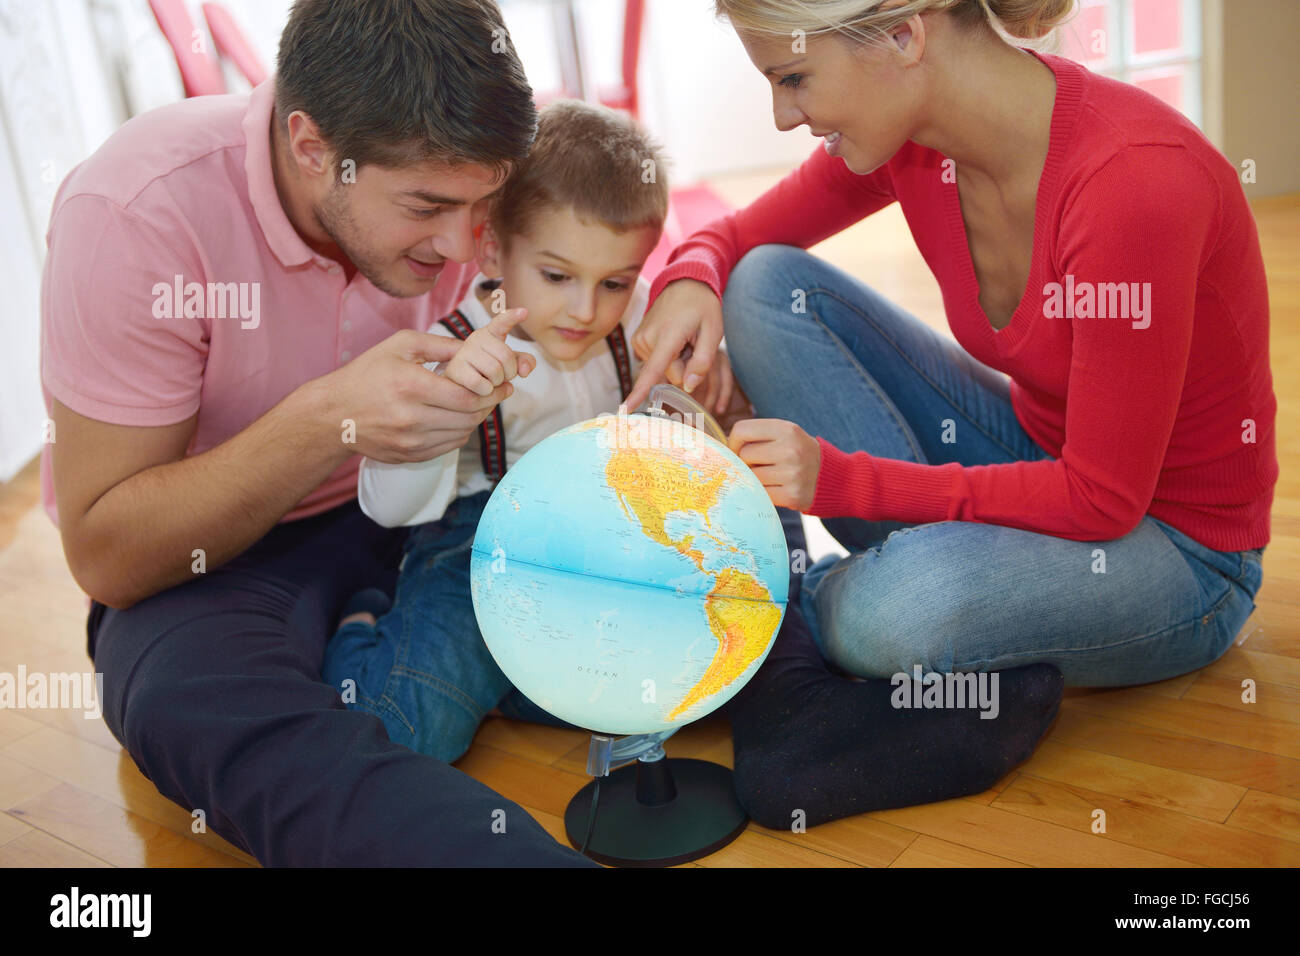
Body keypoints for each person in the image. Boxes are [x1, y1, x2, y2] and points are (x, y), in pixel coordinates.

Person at [625, 0, 1274, 829]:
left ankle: (798, 599)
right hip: (1043, 457)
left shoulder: (1132, 186)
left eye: (793, 79)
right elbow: (738, 238)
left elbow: (1104, 500)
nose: (784, 115)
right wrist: (692, 273)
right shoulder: (913, 142)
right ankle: (910, 614)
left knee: (886, 618)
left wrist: (843, 481)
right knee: (764, 287)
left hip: (1175, 548)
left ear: (904, 36)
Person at [41, 0, 597, 866]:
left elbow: (610, 231)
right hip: (225, 557)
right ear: (312, 149)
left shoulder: (465, 173)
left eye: (485, 201)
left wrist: (691, 281)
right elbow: (108, 554)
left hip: (442, 508)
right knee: (189, 703)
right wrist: (328, 417)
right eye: (427, 206)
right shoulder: (137, 211)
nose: (463, 245)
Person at [321, 100, 755, 761]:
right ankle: (362, 623)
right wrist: (451, 410)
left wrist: (711, 388)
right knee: (408, 731)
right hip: (476, 546)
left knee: (692, 675)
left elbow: (699, 427)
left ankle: (508, 681)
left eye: (615, 280)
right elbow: (391, 506)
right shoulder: (449, 350)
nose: (586, 309)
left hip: (606, 538)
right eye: (556, 275)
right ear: (494, 246)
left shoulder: (638, 324)